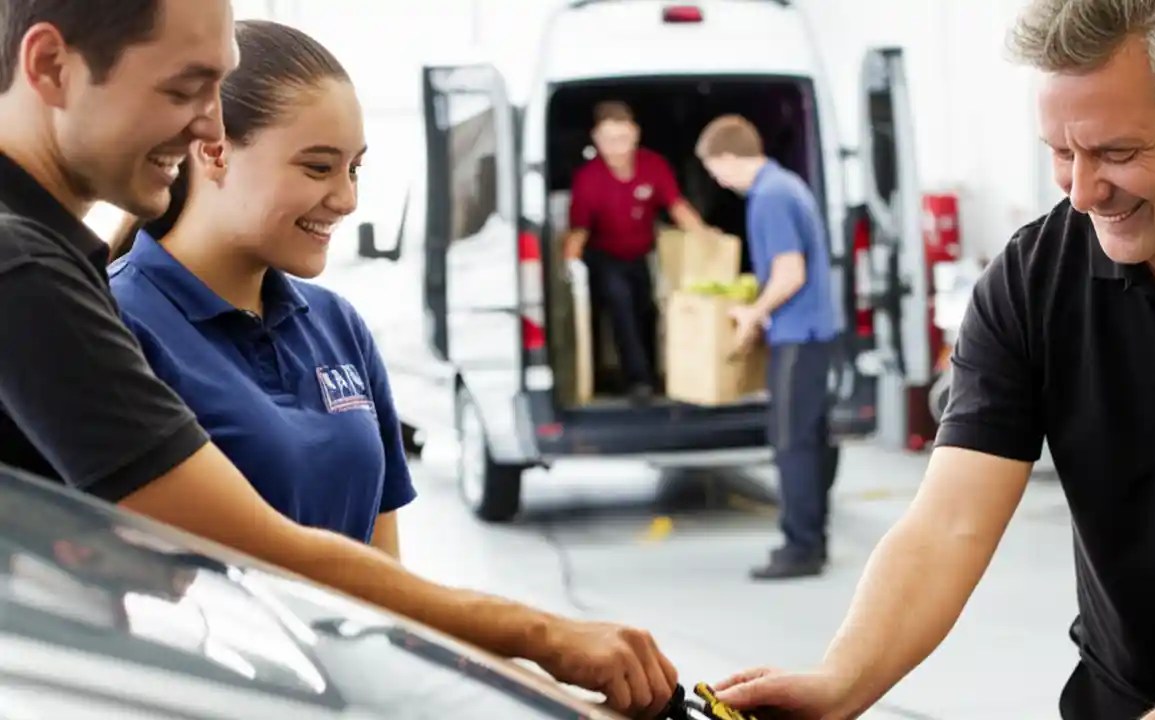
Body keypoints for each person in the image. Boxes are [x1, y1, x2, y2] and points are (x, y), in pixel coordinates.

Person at [0, 3, 676, 716]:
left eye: (216, 90)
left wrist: (545, 694)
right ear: (49, 67)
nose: (207, 123)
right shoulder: (39, 276)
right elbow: (257, 551)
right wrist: (545, 639)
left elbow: (388, 597)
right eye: (182, 89)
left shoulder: (325, 323)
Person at [713, 1, 1155, 718]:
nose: (1082, 193)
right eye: (1061, 152)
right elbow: (949, 522)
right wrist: (841, 681)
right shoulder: (1033, 281)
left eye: (1118, 153)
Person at [107, 20, 414, 554]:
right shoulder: (113, 326)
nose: (347, 199)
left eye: (355, 169)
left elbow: (386, 569)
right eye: (319, 167)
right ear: (214, 151)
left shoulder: (339, 327)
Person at [695, 115, 841, 581]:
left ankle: (800, 547)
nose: (717, 179)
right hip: (814, 333)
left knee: (791, 442)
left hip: (799, 335)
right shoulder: (787, 185)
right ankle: (812, 540)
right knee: (811, 440)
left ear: (729, 157)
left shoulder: (769, 197)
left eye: (715, 169)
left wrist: (753, 313)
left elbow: (789, 273)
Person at [564, 100, 706, 401]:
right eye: (608, 140)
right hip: (604, 256)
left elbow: (676, 206)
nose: (616, 147)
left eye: (622, 138)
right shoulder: (587, 179)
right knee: (621, 303)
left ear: (636, 134)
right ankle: (638, 381)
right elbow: (579, 231)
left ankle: (657, 376)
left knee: (648, 311)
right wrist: (567, 270)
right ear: (596, 139)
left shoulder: (653, 165)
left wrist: (705, 237)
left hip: (641, 255)